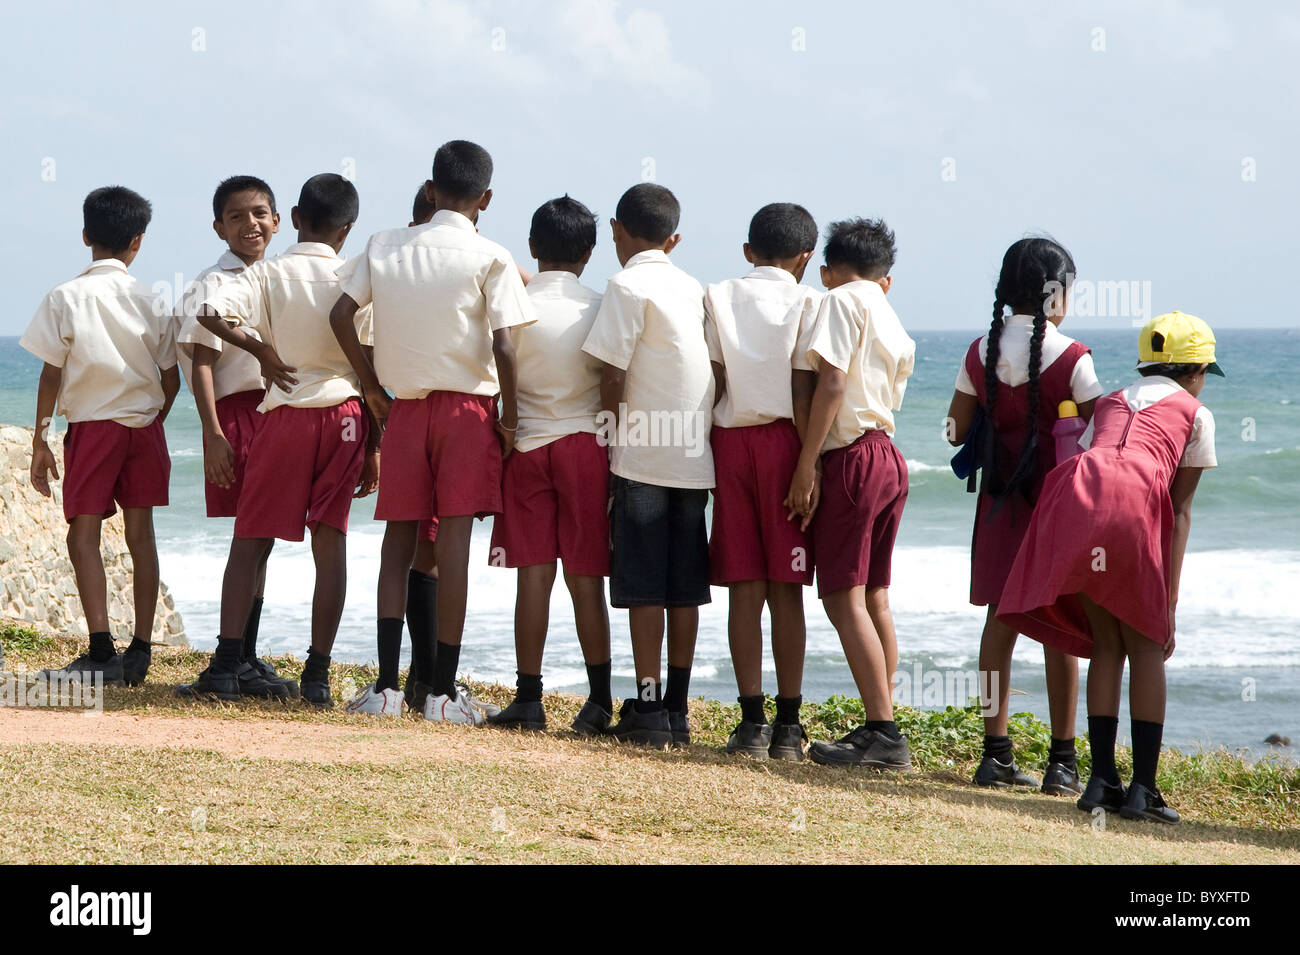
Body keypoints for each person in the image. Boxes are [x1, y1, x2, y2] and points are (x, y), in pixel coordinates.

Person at [331, 141, 532, 724]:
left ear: (431, 188)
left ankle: (388, 688)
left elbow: (341, 315)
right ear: (486, 198)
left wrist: (371, 388)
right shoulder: (490, 255)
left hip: (405, 410)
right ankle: (442, 693)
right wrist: (511, 418)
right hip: (468, 413)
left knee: (398, 543)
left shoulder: (384, 244)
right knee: (452, 549)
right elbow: (503, 343)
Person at [999, 312, 1222, 825]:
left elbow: (1094, 455)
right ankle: (1143, 788)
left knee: (1106, 644)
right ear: (1195, 370)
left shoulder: (1111, 401)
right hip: (1134, 507)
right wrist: (1168, 598)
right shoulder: (1196, 413)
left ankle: (1100, 782)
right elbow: (1178, 510)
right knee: (1147, 647)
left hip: (1079, 504)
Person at [177, 173, 376, 706]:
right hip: (347, 414)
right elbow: (373, 363)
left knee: (252, 539)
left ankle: (224, 667)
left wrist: (262, 352)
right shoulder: (356, 274)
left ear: (293, 218)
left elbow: (208, 313)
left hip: (286, 411)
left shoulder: (270, 272)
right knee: (330, 543)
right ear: (346, 228)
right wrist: (375, 445)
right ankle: (317, 677)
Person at [944, 237, 1102, 793]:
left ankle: (996, 753)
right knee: (1061, 627)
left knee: (998, 621)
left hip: (998, 508)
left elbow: (956, 430)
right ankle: (1062, 762)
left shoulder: (977, 352)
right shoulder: (1074, 358)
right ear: (1056, 295)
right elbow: (1099, 438)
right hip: (1055, 511)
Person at [22, 186, 179, 686]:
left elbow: (51, 374)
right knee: (142, 535)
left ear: (86, 235)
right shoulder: (152, 298)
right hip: (144, 428)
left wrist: (41, 438)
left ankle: (99, 649)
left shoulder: (65, 296)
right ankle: (141, 649)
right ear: (139, 241)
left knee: (83, 533)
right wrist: (153, 417)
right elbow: (170, 376)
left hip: (93, 428)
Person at [582, 183, 714, 747]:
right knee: (684, 588)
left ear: (616, 229)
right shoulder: (694, 287)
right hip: (693, 455)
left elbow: (610, 370)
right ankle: (679, 709)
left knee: (642, 587)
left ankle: (648, 706)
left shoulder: (625, 283)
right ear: (675, 238)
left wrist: (608, 439)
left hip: (641, 454)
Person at [785, 218, 915, 770]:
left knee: (842, 597)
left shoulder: (838, 301)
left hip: (851, 456)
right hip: (886, 451)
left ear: (829, 269)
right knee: (875, 595)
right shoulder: (891, 315)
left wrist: (806, 462)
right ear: (886, 275)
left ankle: (882, 732)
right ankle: (885, 725)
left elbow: (832, 383)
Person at [486, 196, 614, 734]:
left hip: (527, 445)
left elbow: (494, 371)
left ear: (533, 246)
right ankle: (600, 701)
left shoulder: (513, 303)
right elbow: (613, 383)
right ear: (590, 252)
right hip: (587, 445)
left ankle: (528, 697)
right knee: (586, 578)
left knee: (533, 577)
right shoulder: (602, 305)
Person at [705, 202, 821, 761]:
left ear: (748, 251)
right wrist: (811, 464)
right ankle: (789, 724)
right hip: (787, 443)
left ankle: (751, 722)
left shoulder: (718, 293)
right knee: (788, 589)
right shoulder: (810, 300)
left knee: (744, 588)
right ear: (807, 256)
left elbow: (714, 373)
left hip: (729, 442)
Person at [175, 175, 297, 697]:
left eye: (260, 213)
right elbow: (202, 362)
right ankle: (225, 662)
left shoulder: (271, 276)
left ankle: (245, 656)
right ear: (219, 227)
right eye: (237, 215)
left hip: (269, 414)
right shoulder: (215, 282)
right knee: (249, 538)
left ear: (277, 219)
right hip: (236, 416)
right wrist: (213, 435)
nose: (251, 223)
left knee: (262, 538)